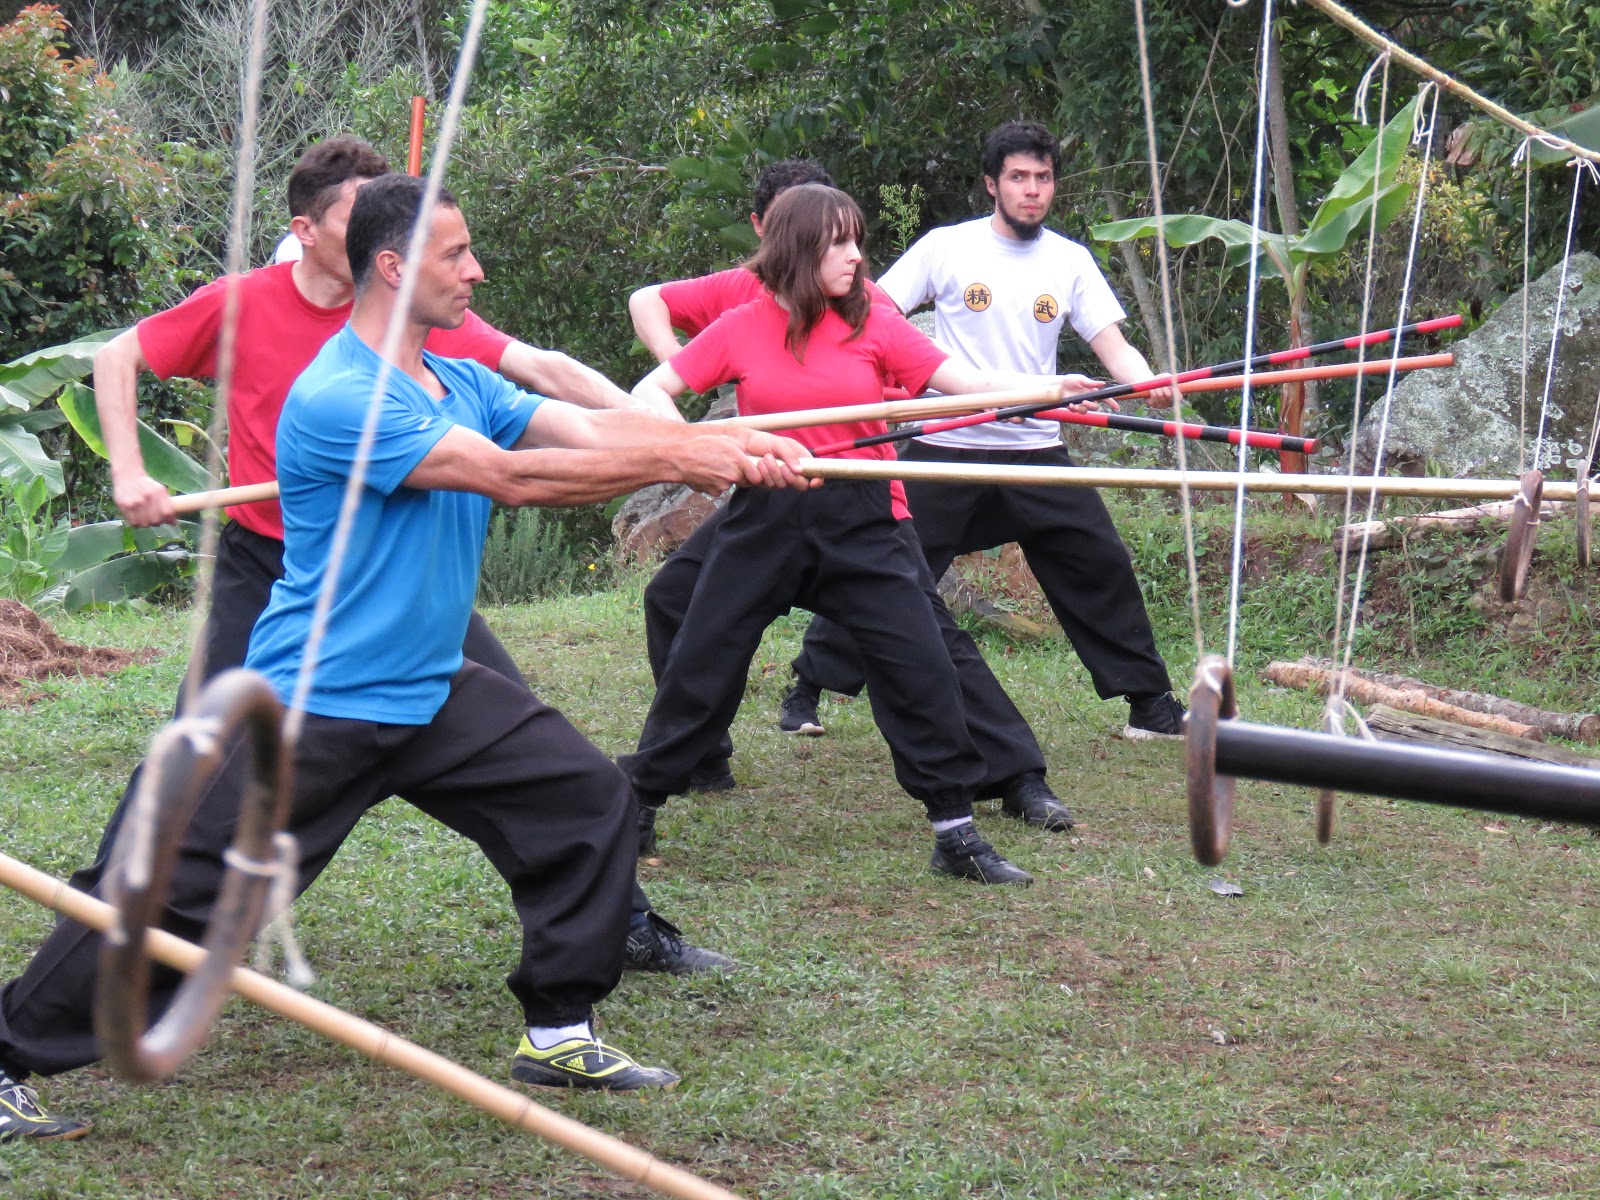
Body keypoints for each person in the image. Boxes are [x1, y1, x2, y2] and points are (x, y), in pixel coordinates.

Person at [0, 175, 816, 1140]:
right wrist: (687, 463)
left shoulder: (455, 377)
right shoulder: (341, 395)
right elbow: (509, 479)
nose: (475, 271)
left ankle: (559, 1028)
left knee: (588, 802)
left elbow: (584, 429)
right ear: (392, 267)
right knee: (172, 902)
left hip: (430, 689)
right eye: (455, 255)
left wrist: (723, 438)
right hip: (315, 703)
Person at [87, 137, 719, 982]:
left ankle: (624, 925)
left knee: (527, 752)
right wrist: (129, 471)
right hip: (271, 569)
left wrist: (673, 435)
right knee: (200, 762)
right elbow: (116, 355)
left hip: (394, 573)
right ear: (310, 232)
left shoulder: (419, 323)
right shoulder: (245, 306)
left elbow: (537, 370)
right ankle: (107, 916)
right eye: (361, 221)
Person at [618, 182, 1103, 890]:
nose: (855, 256)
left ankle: (955, 833)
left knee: (922, 668)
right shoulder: (742, 325)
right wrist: (697, 441)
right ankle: (637, 801)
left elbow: (961, 383)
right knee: (703, 661)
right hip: (766, 515)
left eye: (856, 240)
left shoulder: (873, 321)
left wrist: (1049, 390)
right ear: (797, 250)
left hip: (863, 519)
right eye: (838, 243)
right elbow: (652, 391)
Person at [783, 122, 1186, 742]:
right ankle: (807, 689)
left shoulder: (1070, 260)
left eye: (1043, 178)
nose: (1032, 191)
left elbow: (1114, 346)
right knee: (889, 565)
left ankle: (1151, 707)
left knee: (1100, 564)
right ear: (991, 184)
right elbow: (872, 313)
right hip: (947, 450)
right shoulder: (947, 248)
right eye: (1019, 178)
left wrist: (1148, 383)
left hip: (1036, 452)